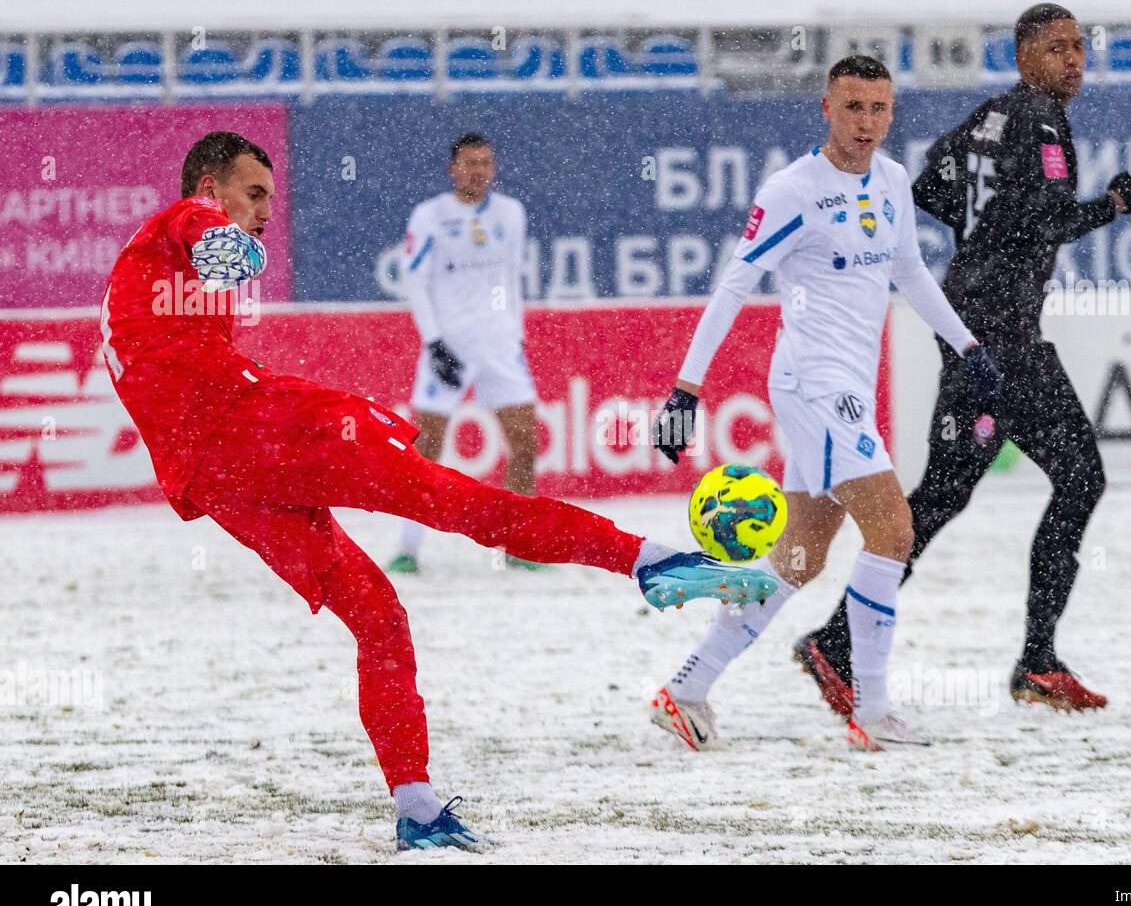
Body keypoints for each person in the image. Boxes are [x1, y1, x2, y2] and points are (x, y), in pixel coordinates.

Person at [99, 131, 777, 851]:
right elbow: (208, 237)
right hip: (257, 431)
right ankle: (646, 560)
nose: (267, 209)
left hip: (220, 476)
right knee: (461, 503)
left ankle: (417, 810)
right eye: (255, 194)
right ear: (210, 187)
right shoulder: (180, 225)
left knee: (378, 615)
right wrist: (232, 241)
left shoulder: (158, 273)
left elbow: (174, 340)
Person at [792, 3, 1131, 716]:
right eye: (1055, 48)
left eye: (1078, 47)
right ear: (1023, 58)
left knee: (944, 496)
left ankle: (836, 643)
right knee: (1080, 477)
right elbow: (1047, 219)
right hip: (1004, 334)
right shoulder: (1040, 119)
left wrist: (982, 233)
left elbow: (928, 185)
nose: (1072, 60)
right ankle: (1036, 661)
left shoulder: (988, 116)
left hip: (970, 323)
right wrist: (1110, 205)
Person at [650, 56, 1002, 753]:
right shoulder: (794, 191)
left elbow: (908, 271)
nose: (866, 123)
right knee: (894, 532)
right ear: (826, 110)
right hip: (814, 383)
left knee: (800, 558)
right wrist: (687, 387)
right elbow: (733, 286)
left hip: (848, 387)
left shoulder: (894, 180)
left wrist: (967, 344)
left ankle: (687, 689)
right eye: (852, 108)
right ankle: (873, 715)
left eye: (878, 108)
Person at [388, 132, 542, 574]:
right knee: (425, 451)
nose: (478, 170)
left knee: (526, 443)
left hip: (499, 345)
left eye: (486, 163)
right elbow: (415, 281)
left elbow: (512, 276)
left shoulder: (512, 214)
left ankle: (518, 547)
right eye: (470, 162)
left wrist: (516, 332)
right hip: (449, 345)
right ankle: (408, 549)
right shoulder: (430, 216)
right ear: (452, 168)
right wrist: (434, 342)